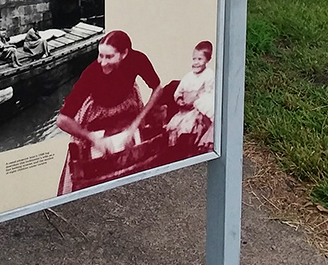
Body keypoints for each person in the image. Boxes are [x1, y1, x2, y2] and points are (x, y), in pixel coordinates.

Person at [56, 29, 161, 194]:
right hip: (96, 111)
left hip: (127, 104)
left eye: (109, 57)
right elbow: (61, 120)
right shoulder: (91, 73)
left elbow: (157, 88)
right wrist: (92, 138)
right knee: (81, 153)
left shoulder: (138, 60)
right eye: (100, 55)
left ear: (124, 54)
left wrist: (136, 123)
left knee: (135, 142)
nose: (102, 62)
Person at [165, 40, 215, 153]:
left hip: (197, 110)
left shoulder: (209, 75)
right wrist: (179, 100)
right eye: (194, 59)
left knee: (191, 124)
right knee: (174, 125)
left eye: (200, 59)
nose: (196, 62)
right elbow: (178, 91)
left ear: (208, 60)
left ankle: (194, 146)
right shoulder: (188, 77)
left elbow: (209, 94)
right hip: (183, 110)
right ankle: (176, 150)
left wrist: (196, 98)